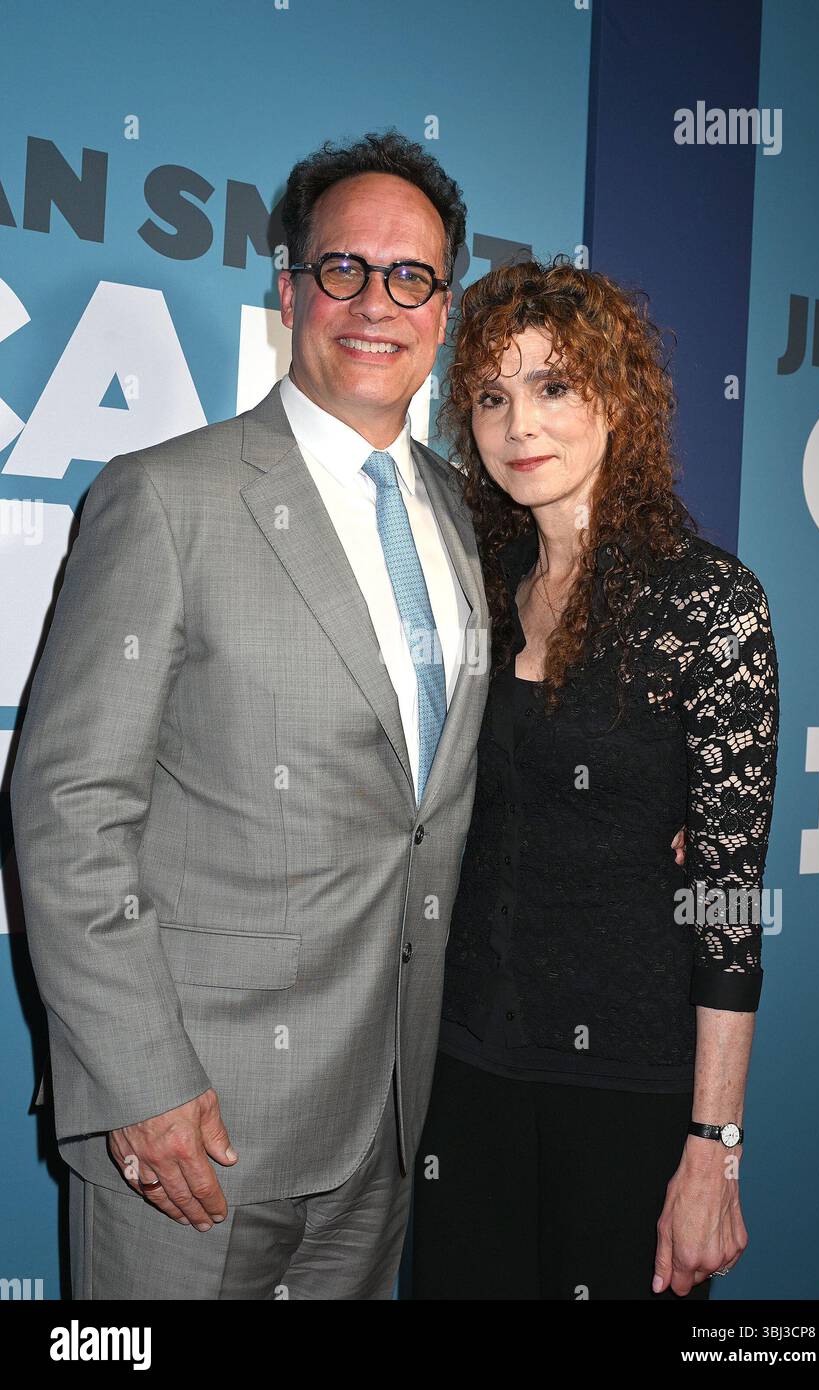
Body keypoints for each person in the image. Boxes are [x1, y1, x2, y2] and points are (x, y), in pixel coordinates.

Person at [10, 130, 490, 1300]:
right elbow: (67, 803)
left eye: (411, 276)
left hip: (384, 1114)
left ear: (442, 309)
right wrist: (138, 1080)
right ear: (288, 291)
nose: (376, 301)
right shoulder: (165, 496)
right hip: (191, 1130)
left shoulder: (464, 513)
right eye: (343, 269)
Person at [410, 258, 780, 1300]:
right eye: (490, 394)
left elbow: (725, 904)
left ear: (616, 400)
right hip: (465, 1068)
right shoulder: (469, 586)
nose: (517, 421)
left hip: (630, 1082)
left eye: (553, 384)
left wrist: (713, 1148)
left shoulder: (709, 606)